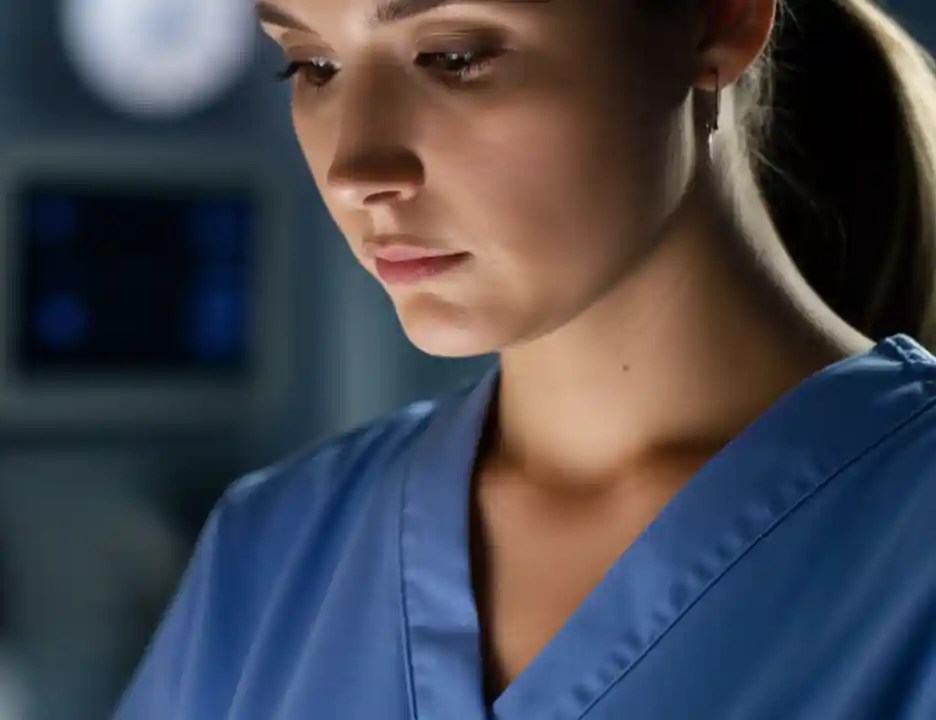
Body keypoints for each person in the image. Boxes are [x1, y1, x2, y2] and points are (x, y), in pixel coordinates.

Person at [113, 0, 936, 717]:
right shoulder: (273, 556)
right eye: (313, 65)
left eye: (454, 57)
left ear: (719, 19)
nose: (356, 168)